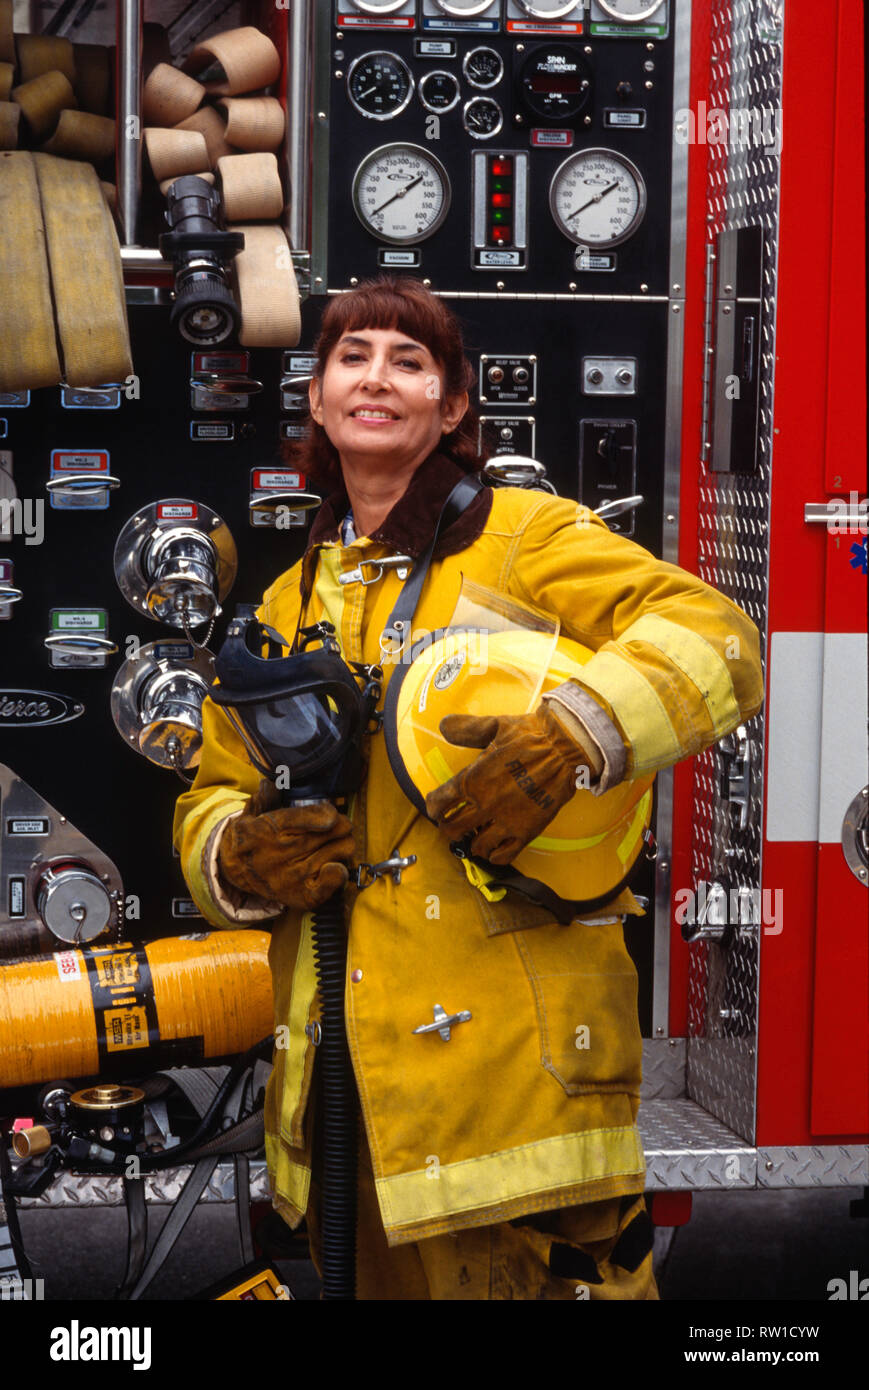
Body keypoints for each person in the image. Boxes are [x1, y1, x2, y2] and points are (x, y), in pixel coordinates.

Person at [173, 276, 763, 1300]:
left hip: (512, 1102)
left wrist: (575, 734)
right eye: (351, 357)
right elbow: (212, 791)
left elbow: (715, 637)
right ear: (316, 399)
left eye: (409, 362)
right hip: (352, 1110)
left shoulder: (525, 537)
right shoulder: (288, 597)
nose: (375, 378)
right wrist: (236, 855)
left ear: (450, 408)